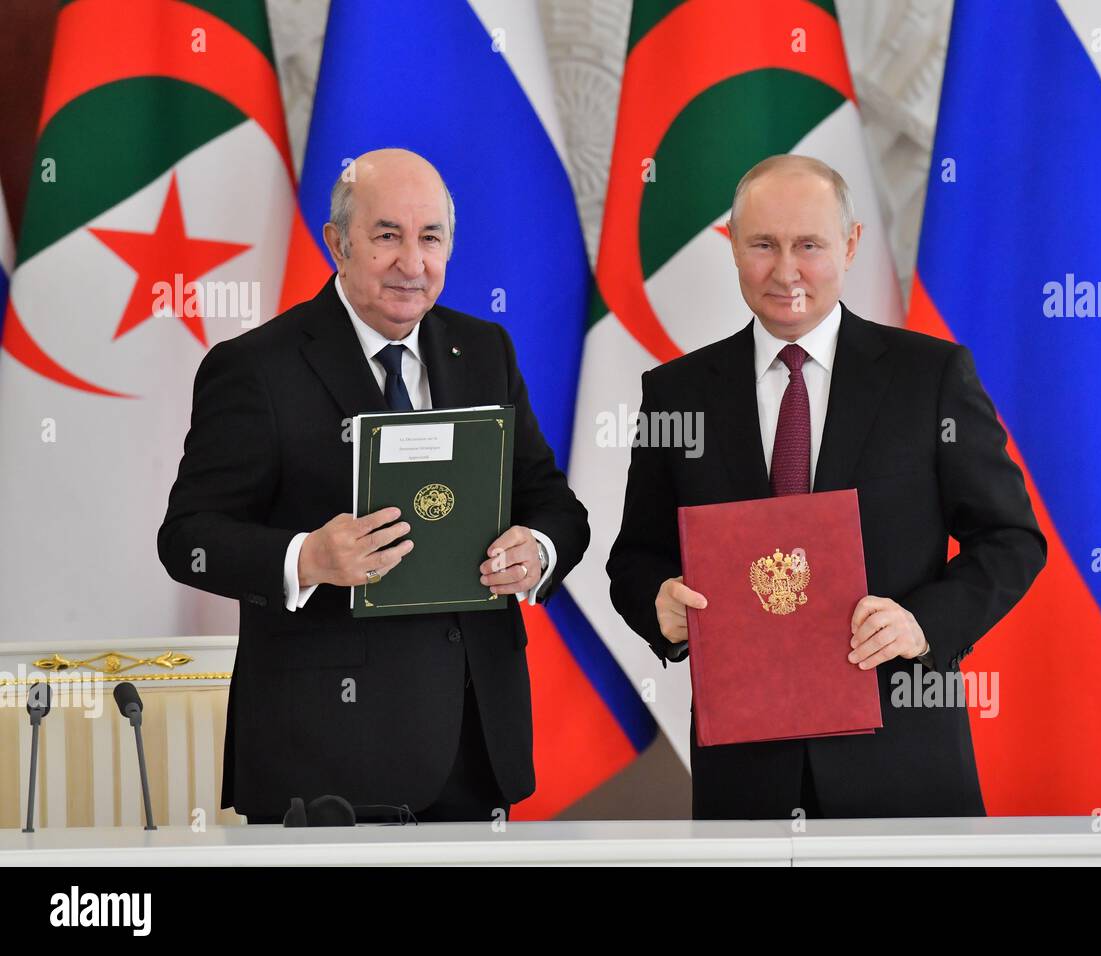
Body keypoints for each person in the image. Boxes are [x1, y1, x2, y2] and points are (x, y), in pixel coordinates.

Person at [607, 155, 1046, 819]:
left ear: (850, 245)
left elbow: (1010, 538)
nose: (786, 272)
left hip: (902, 761)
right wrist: (658, 606)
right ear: (731, 246)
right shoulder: (677, 393)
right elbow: (635, 558)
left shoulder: (930, 378)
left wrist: (923, 622)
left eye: (809, 245)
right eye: (763, 245)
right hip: (745, 775)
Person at [158, 148, 589, 823]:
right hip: (323, 759)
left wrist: (536, 548)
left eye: (431, 238)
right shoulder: (255, 369)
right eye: (387, 236)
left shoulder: (485, 352)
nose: (411, 264)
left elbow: (552, 503)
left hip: (473, 744)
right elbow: (187, 540)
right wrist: (308, 558)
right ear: (337, 243)